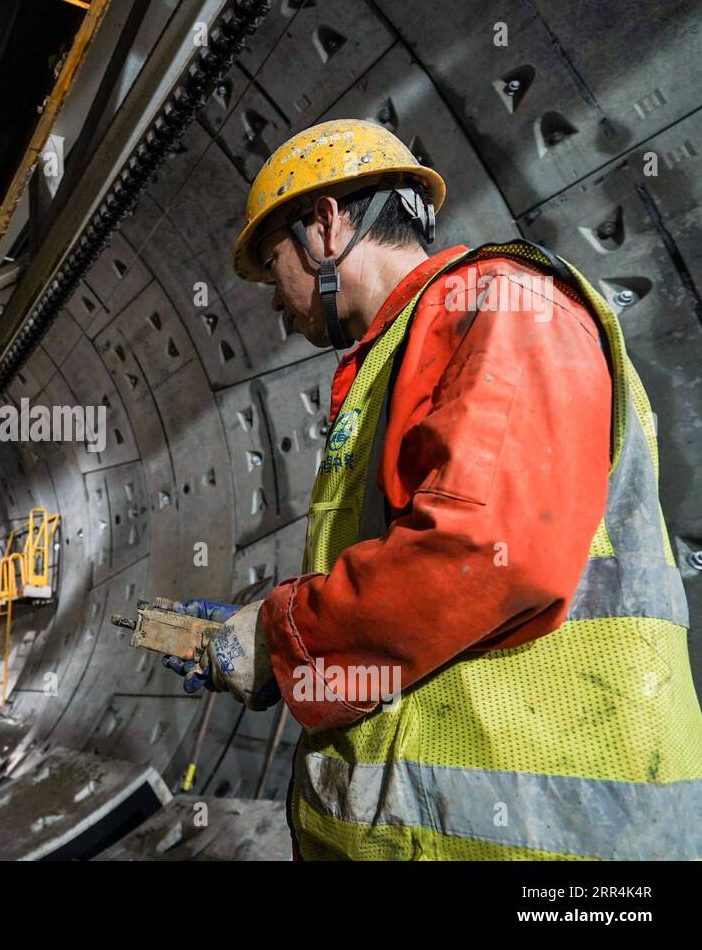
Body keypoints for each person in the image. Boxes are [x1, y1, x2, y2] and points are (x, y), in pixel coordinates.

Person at [163, 118, 702, 860]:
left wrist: (282, 635)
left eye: (271, 263)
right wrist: (272, 645)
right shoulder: (404, 347)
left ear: (325, 224)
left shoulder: (505, 305)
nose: (271, 300)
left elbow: (485, 550)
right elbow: (408, 572)